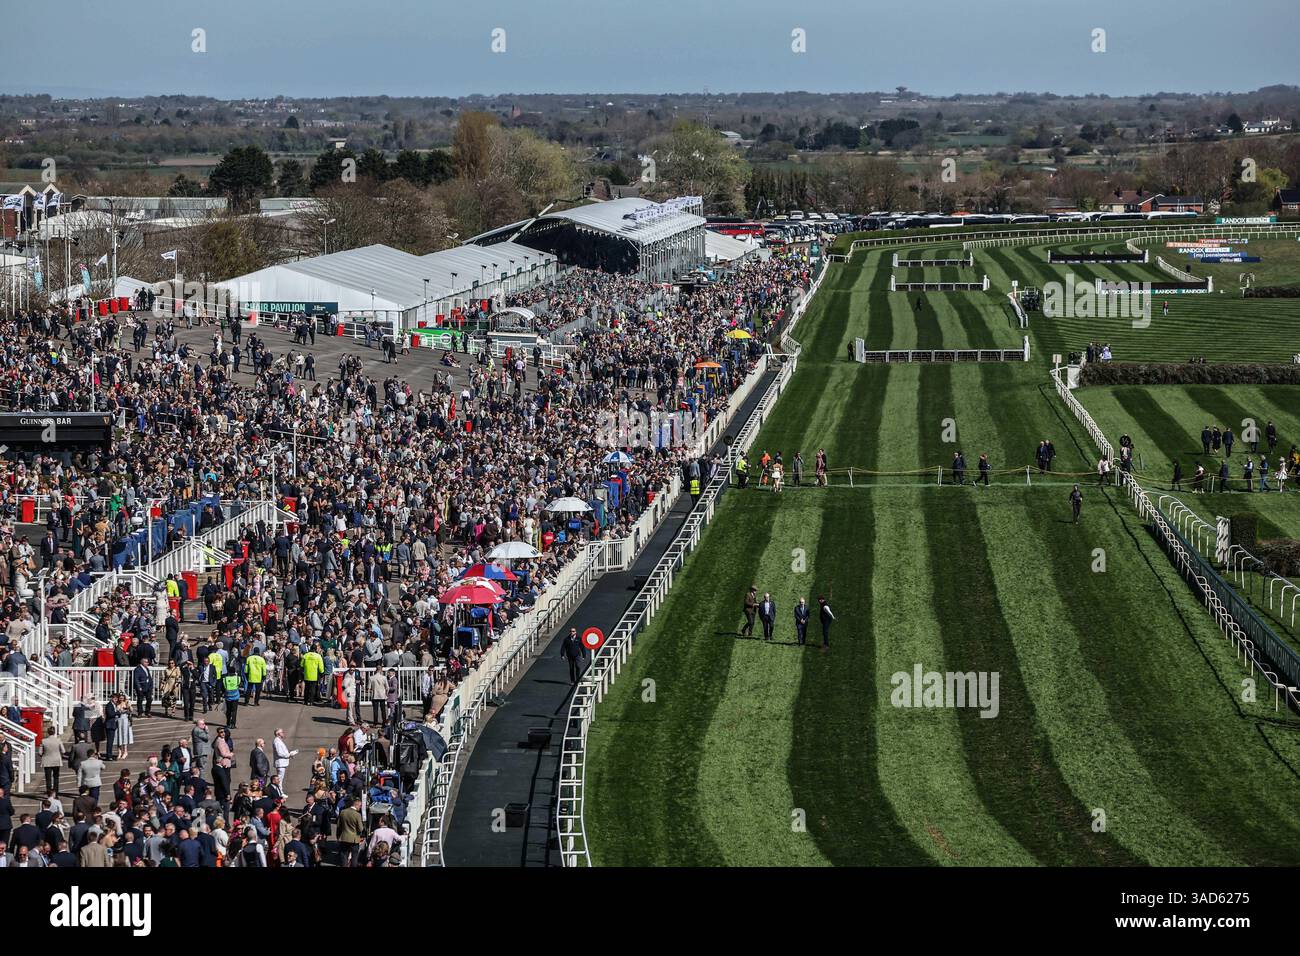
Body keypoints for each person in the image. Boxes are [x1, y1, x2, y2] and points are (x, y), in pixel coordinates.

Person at [337, 795, 365, 867]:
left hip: (344, 838)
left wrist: (339, 836)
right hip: (354, 839)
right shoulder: (357, 815)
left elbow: (339, 826)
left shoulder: (343, 812)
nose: (360, 807)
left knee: (344, 856)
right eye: (360, 805)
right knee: (354, 857)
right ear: (356, 804)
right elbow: (360, 829)